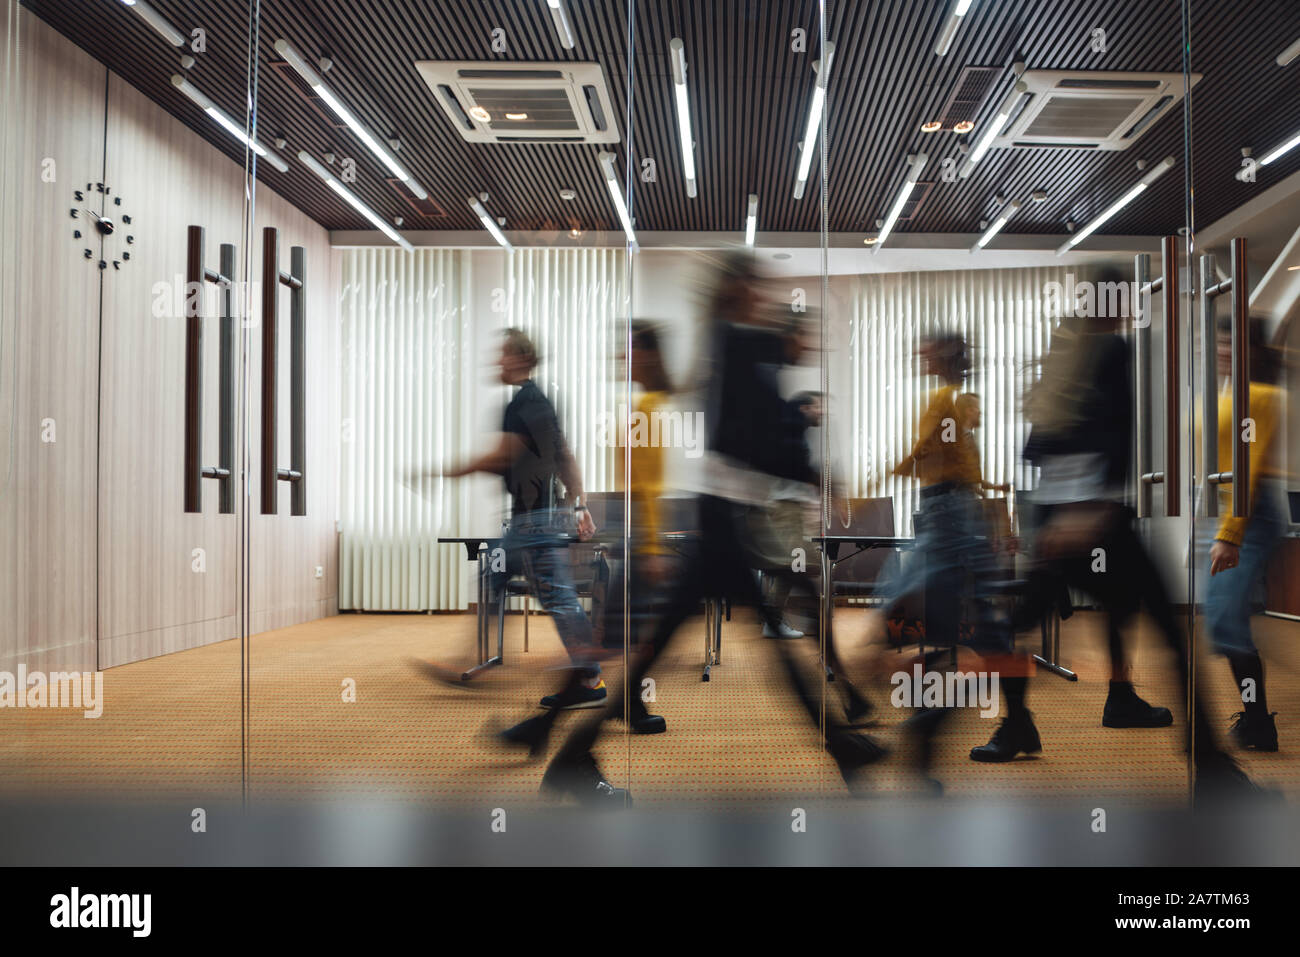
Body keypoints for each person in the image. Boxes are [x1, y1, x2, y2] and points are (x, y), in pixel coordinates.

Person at [538, 252, 887, 805]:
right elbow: (751, 436)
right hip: (719, 520)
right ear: (737, 289)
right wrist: (816, 472)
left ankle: (569, 752)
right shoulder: (732, 342)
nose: (765, 296)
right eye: (756, 285)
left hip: (722, 519)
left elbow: (761, 422)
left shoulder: (730, 342)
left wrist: (806, 456)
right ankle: (839, 745)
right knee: (763, 644)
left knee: (693, 644)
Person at [1005, 269, 1265, 803]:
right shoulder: (1112, 350)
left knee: (1018, 624)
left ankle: (1016, 722)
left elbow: (1033, 450)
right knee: (1170, 630)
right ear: (1113, 303)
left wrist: (1042, 520)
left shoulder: (1061, 356)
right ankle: (1210, 765)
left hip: (1054, 516)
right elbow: (1118, 435)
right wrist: (1093, 506)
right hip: (1095, 518)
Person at [418, 328, 605, 709]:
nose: (497, 361)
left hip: (534, 521)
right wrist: (579, 505)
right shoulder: (541, 403)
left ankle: (590, 680)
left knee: (559, 599)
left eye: (503, 354)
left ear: (521, 358)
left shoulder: (521, 405)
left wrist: (443, 472)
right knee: (495, 575)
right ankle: (474, 660)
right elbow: (565, 455)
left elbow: (500, 458)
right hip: (536, 518)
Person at [1199, 315, 1286, 752]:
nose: (1221, 350)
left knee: (1226, 622)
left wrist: (1231, 534)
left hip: (1251, 513)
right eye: (1218, 342)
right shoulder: (1232, 393)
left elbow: (1246, 469)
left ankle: (1258, 722)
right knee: (1223, 621)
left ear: (1250, 351)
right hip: (1230, 511)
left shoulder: (1262, 396)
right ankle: (1256, 721)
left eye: (1231, 344)